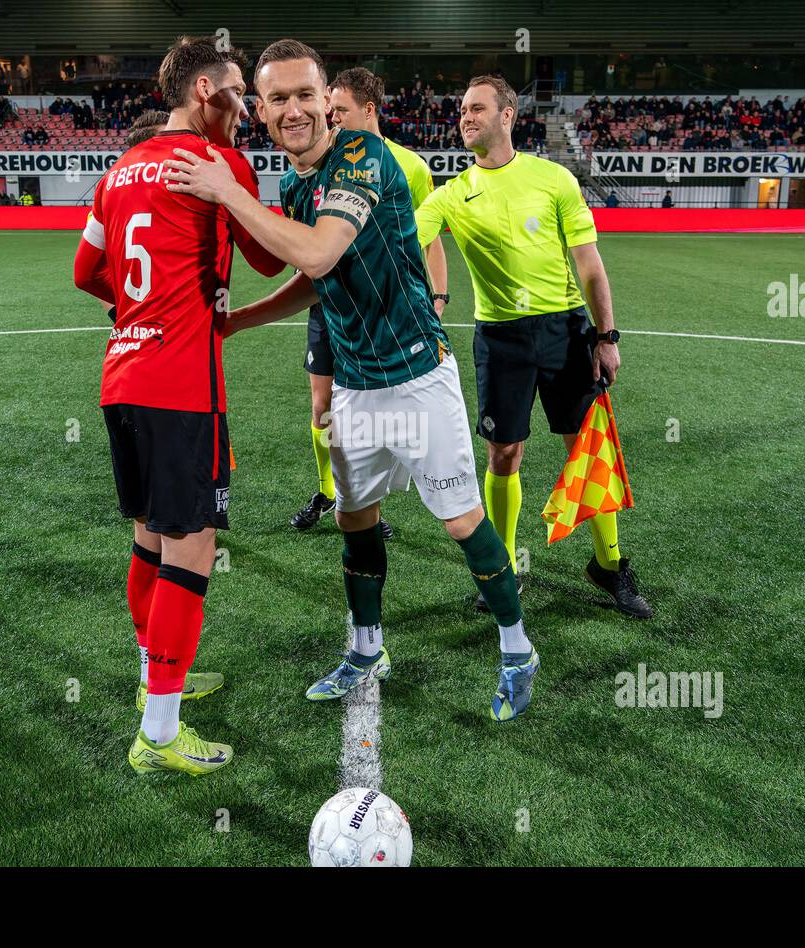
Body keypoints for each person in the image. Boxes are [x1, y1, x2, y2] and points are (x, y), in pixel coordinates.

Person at [167, 39, 539, 721]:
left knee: (461, 520)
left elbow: (318, 248)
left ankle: (517, 649)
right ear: (262, 109)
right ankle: (366, 649)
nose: (294, 110)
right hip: (357, 387)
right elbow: (316, 276)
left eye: (306, 95)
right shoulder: (294, 186)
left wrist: (225, 192)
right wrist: (238, 322)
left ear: (326, 104)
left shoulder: (363, 157)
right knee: (353, 516)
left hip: (417, 376)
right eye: (277, 99)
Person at [72, 37, 284, 775]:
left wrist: (135, 308)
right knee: (192, 547)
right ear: (203, 91)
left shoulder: (119, 169)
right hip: (180, 384)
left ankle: (152, 680)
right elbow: (269, 257)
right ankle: (159, 734)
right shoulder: (215, 163)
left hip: (123, 375)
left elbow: (85, 270)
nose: (247, 112)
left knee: (150, 540)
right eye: (237, 94)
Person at [414, 74, 653, 619]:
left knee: (587, 447)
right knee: (505, 453)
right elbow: (404, 233)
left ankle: (610, 565)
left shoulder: (553, 179)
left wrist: (606, 335)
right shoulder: (449, 195)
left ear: (507, 114)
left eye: (477, 109)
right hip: (500, 339)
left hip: (564, 332)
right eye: (461, 111)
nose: (465, 118)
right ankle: (501, 570)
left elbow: (589, 265)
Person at [287, 66, 448, 539]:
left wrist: (437, 297)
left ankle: (374, 499)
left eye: (340, 111)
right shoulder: (322, 161)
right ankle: (333, 492)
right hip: (329, 300)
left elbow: (430, 238)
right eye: (329, 110)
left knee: (391, 408)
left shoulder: (407, 164)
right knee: (322, 407)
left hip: (386, 306)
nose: (331, 119)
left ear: (370, 110)